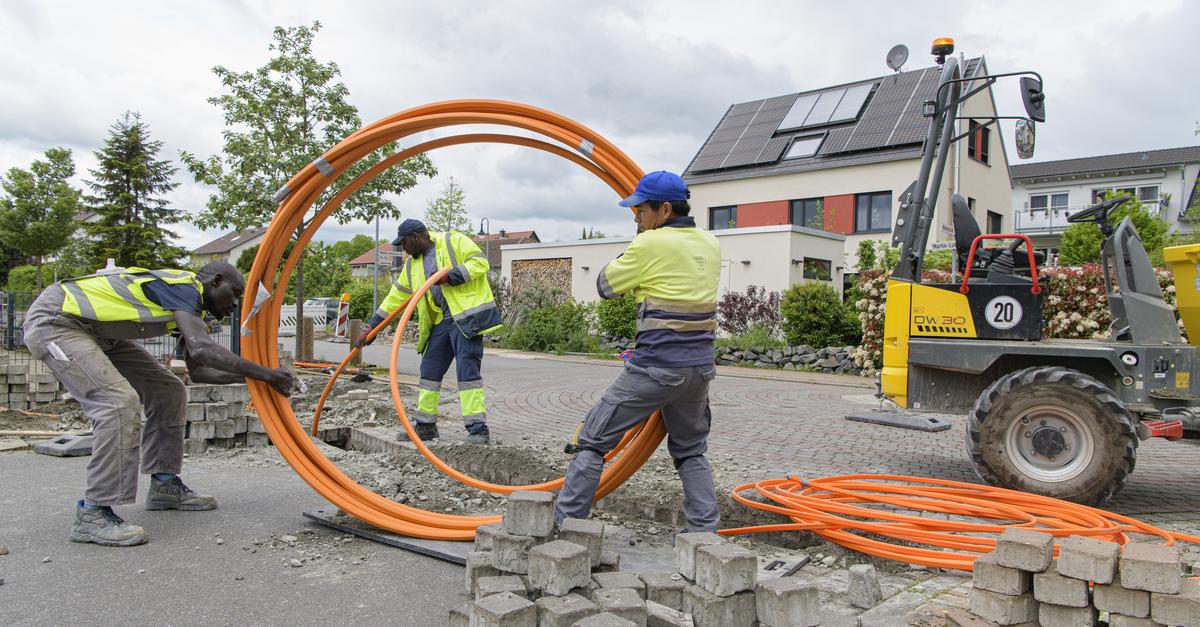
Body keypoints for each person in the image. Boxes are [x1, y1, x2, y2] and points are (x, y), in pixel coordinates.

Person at [22, 261, 296, 547]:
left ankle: (165, 485)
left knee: (169, 390)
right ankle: (93, 513)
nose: (236, 303)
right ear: (215, 281)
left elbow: (201, 370)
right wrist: (266, 373)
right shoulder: (185, 288)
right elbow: (202, 349)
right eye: (235, 293)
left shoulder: (191, 308)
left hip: (101, 333)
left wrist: (263, 379)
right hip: (58, 322)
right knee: (118, 404)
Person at [554, 171, 723, 532]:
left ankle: (564, 530)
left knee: (593, 440)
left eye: (640, 210)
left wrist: (635, 246)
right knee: (691, 450)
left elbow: (605, 286)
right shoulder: (711, 243)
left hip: (656, 369)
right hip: (699, 371)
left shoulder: (649, 244)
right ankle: (706, 540)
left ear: (664, 209)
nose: (635, 217)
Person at [362, 219, 501, 445]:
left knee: (467, 374)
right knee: (429, 372)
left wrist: (452, 276)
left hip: (465, 319)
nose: (402, 249)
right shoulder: (411, 265)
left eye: (404, 243)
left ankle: (477, 430)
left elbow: (480, 263)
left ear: (416, 237)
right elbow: (396, 297)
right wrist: (373, 325)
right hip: (440, 322)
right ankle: (426, 426)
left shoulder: (453, 241)